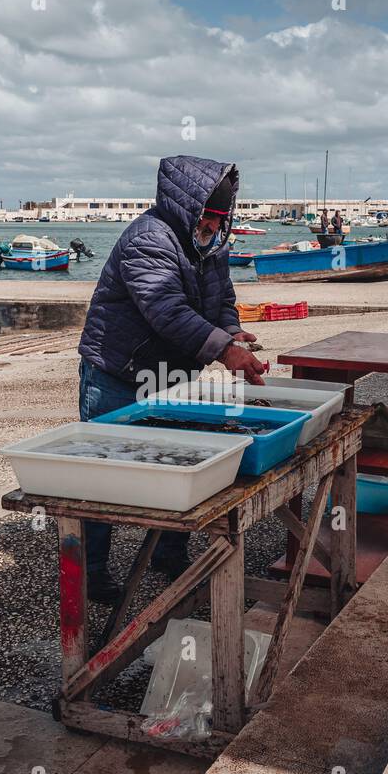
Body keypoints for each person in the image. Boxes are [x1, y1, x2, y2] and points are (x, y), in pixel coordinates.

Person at [76, 155, 266, 603]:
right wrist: (225, 349)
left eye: (222, 218)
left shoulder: (212, 243)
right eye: (209, 216)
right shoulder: (149, 241)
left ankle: (167, 551)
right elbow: (168, 312)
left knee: (183, 463)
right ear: (188, 207)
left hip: (174, 375)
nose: (215, 225)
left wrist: (231, 329)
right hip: (117, 373)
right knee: (99, 476)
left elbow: (222, 299)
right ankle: (91, 572)